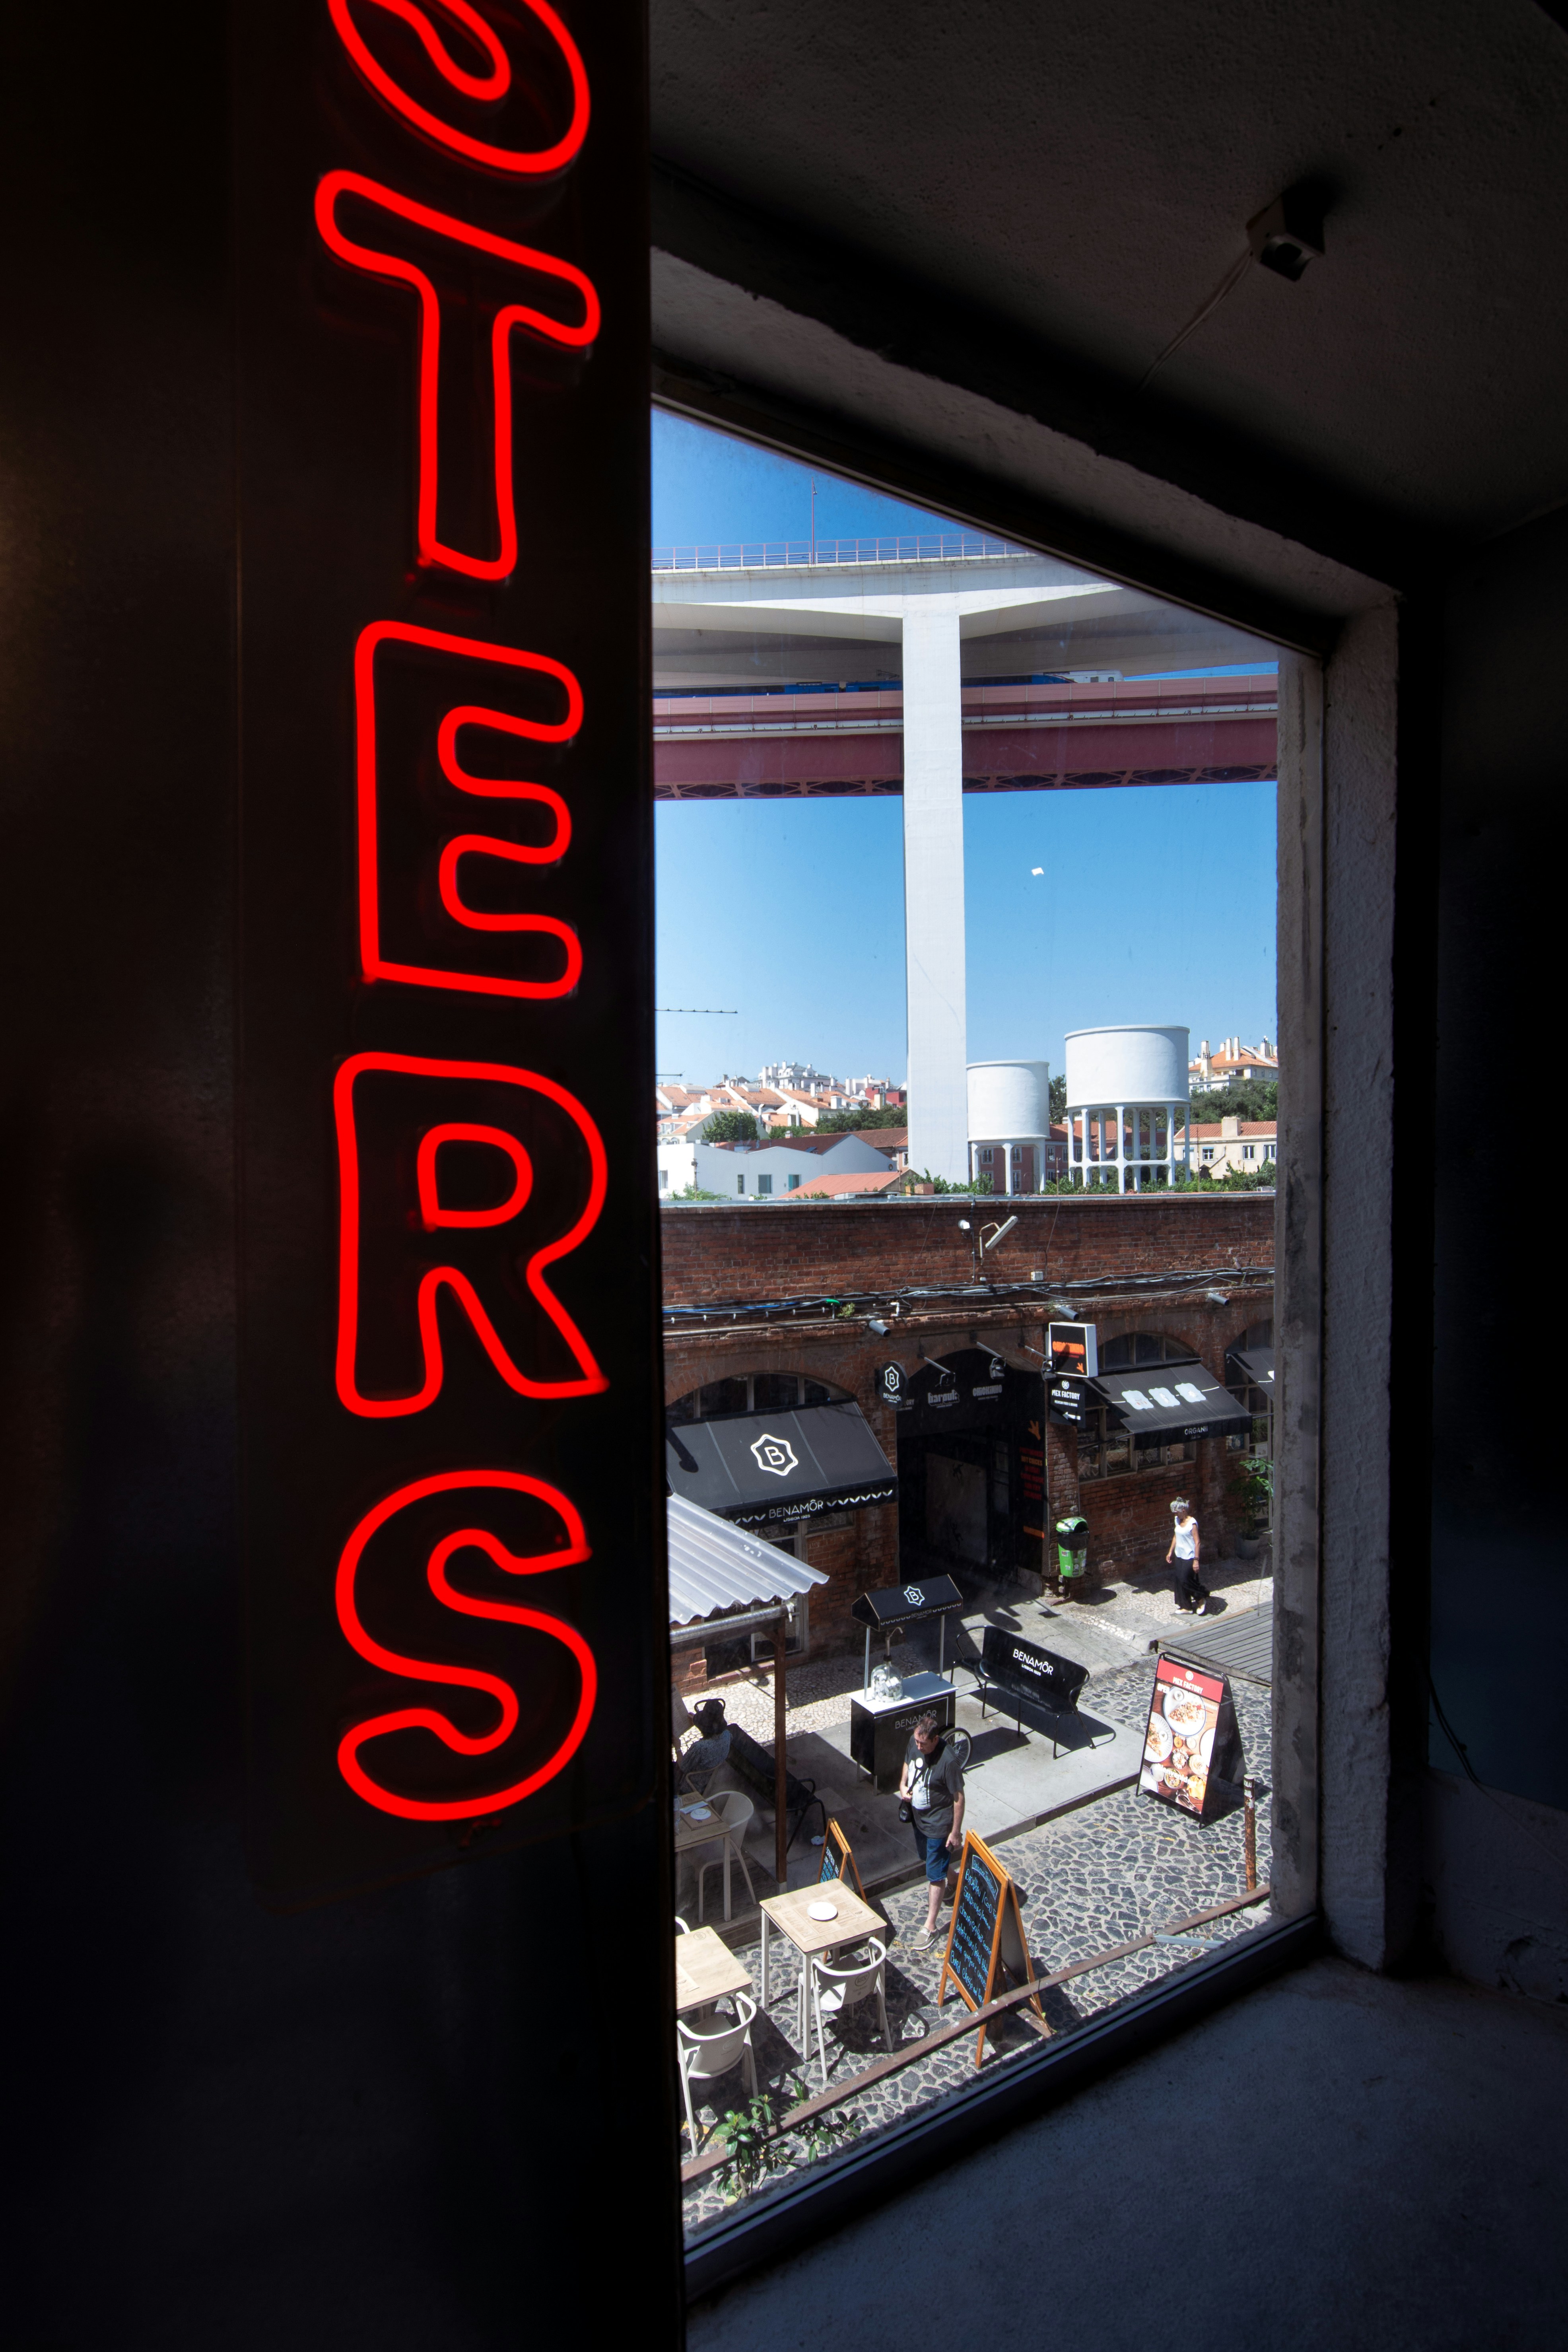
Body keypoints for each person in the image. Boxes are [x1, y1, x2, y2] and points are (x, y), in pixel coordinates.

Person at [898, 1710, 966, 1949]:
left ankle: (931, 1926)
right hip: (919, 1819)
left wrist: (955, 1832)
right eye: (917, 1741)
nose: (919, 1746)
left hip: (939, 1824)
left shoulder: (948, 1761)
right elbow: (908, 1761)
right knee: (928, 1859)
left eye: (923, 1744)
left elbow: (959, 1798)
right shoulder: (915, 1741)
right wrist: (903, 1785)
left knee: (934, 1875)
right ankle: (956, 1881)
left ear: (935, 1740)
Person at [678, 1698, 733, 1791]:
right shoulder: (728, 1736)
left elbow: (683, 1766)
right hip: (710, 1781)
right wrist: (699, 1723)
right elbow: (713, 1731)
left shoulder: (700, 1748)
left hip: (693, 1786)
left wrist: (678, 1748)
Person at [1166, 1496, 1207, 1615]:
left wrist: (1196, 1560)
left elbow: (1197, 1542)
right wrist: (1170, 1552)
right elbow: (1176, 1536)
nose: (1175, 1515)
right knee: (1179, 1580)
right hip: (1179, 1555)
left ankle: (1200, 1598)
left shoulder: (1192, 1523)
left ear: (1183, 1511)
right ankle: (1186, 1607)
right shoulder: (1177, 1521)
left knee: (1185, 1580)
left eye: (1177, 1512)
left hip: (1190, 1556)